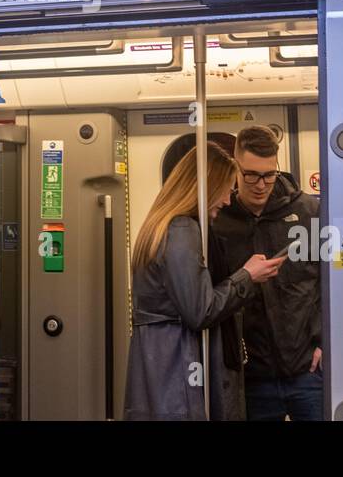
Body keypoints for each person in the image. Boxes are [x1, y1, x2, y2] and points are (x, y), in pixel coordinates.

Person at [124, 142, 282, 420]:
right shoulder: (182, 229)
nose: (227, 200)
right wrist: (248, 276)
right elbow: (200, 310)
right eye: (224, 189)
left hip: (158, 360)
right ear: (206, 187)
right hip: (177, 362)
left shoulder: (161, 226)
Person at [213, 125, 323, 421]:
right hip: (252, 377)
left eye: (268, 175)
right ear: (236, 167)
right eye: (251, 175)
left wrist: (326, 341)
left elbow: (332, 282)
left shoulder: (308, 212)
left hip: (308, 371)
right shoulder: (219, 221)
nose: (261, 185)